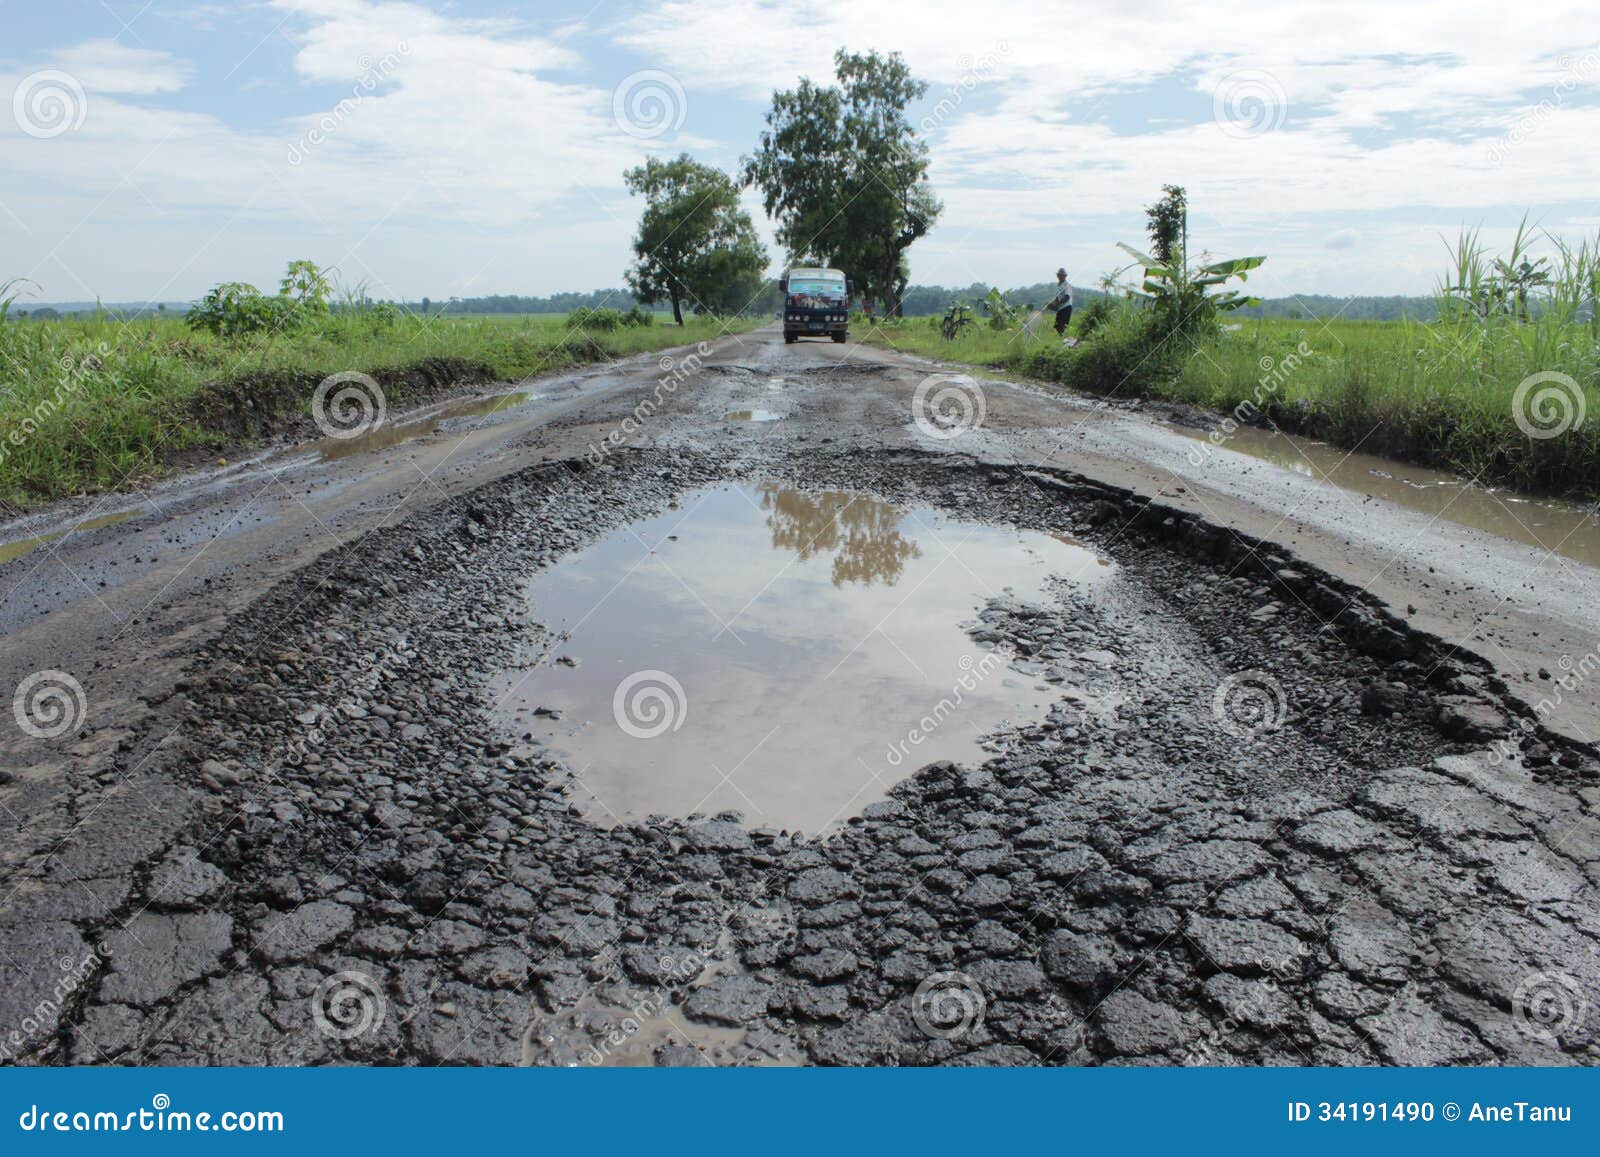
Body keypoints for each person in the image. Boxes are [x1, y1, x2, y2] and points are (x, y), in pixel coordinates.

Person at [1048, 268, 1073, 335]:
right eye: (1059, 275)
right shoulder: (1058, 285)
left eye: (1062, 275)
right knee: (1057, 326)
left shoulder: (1067, 285)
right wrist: (1051, 304)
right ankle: (1061, 338)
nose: (1060, 276)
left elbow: (1067, 297)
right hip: (1060, 308)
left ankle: (1063, 339)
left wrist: (1056, 304)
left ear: (1065, 276)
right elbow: (1057, 298)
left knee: (1062, 326)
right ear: (1057, 275)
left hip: (1066, 308)